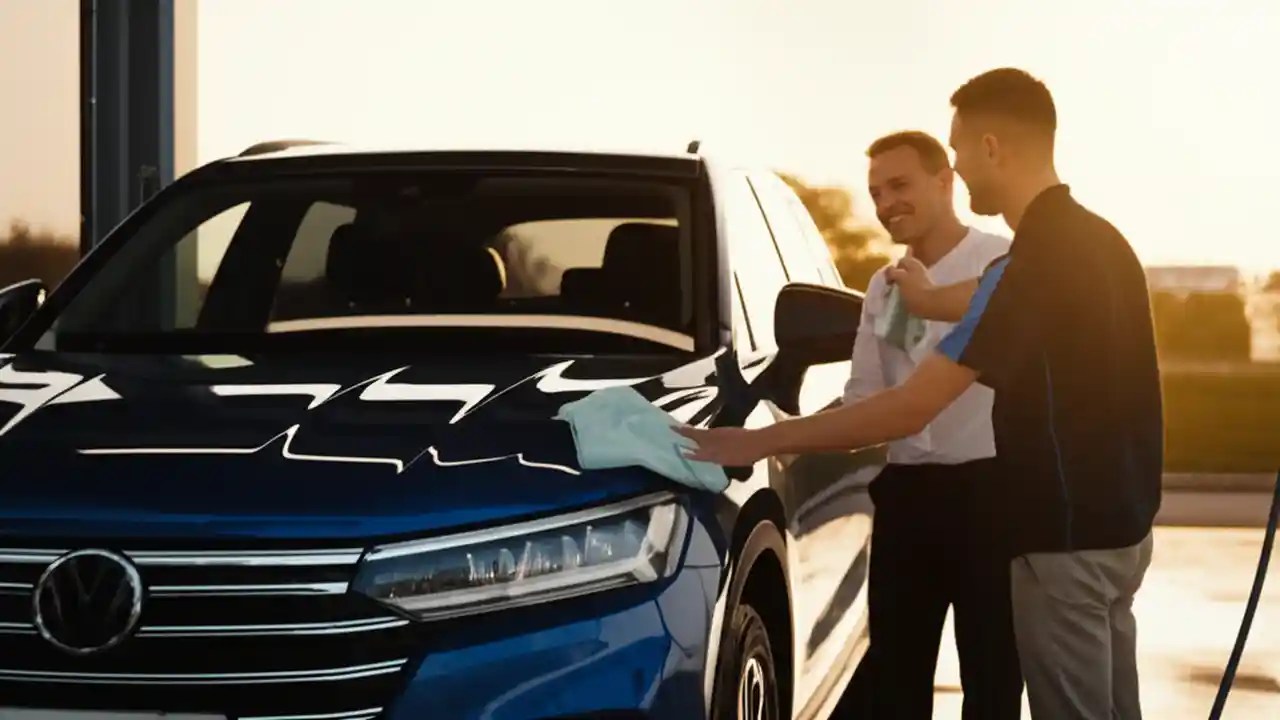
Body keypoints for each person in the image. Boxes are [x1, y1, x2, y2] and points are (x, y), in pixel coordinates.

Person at [679, 67, 1163, 720]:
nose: (960, 165)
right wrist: (928, 299)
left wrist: (752, 439)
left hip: (1059, 538)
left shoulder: (1029, 263)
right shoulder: (1098, 243)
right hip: (1117, 534)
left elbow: (911, 404)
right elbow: (984, 310)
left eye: (959, 151)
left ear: (990, 148)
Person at [840, 130, 1021, 719]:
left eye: (899, 185)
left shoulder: (1003, 261)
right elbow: (862, 399)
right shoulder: (881, 286)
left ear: (945, 182)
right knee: (894, 682)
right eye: (874, 192)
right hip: (908, 498)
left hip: (991, 499)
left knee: (992, 681)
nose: (886, 202)